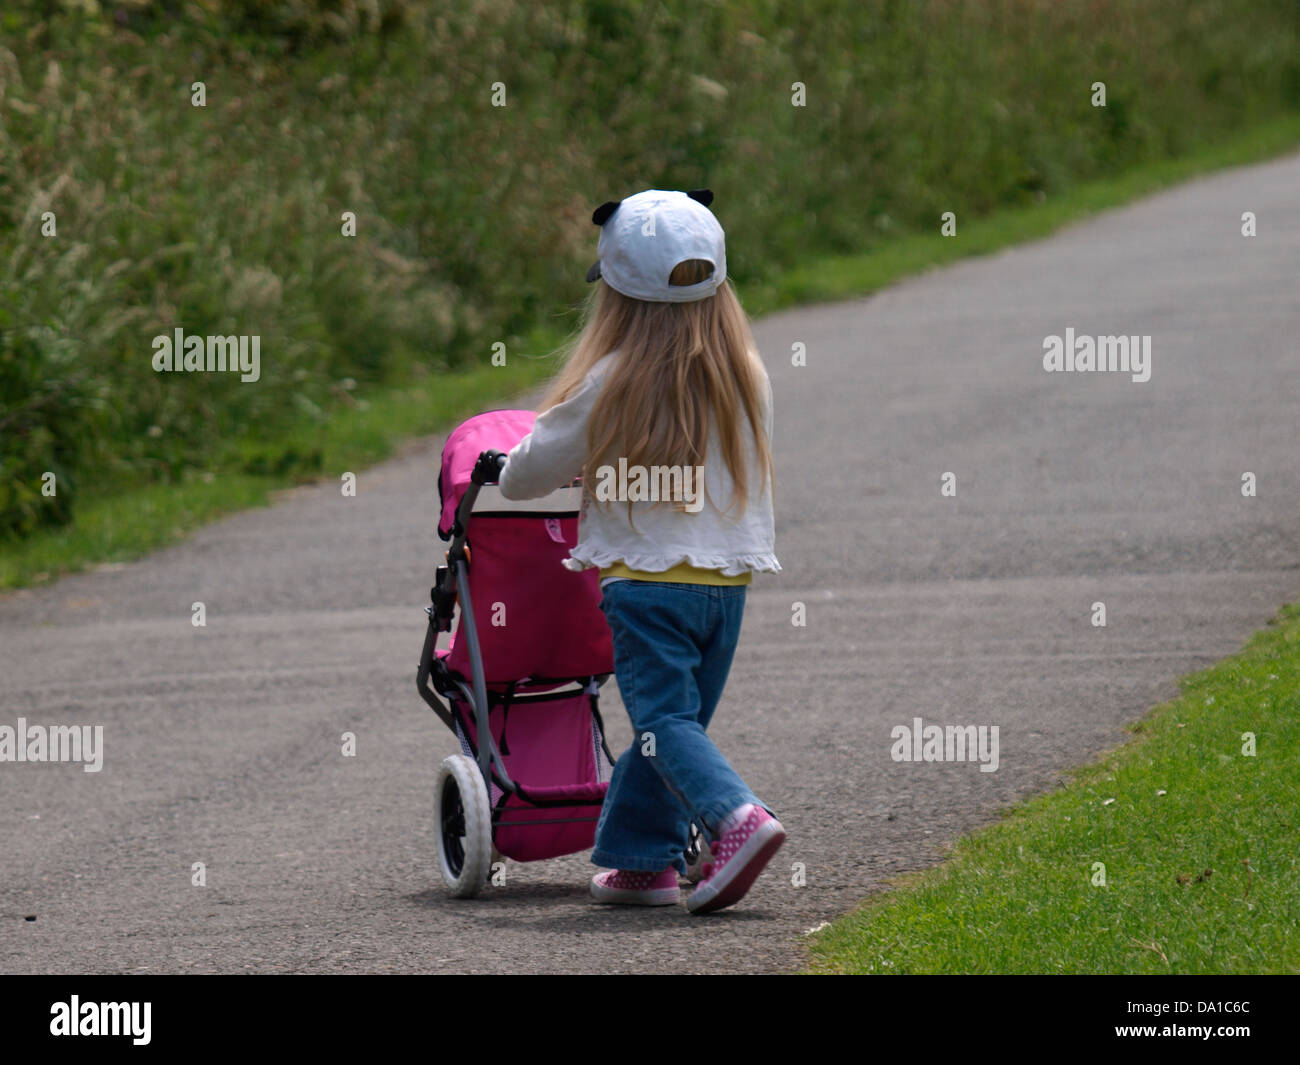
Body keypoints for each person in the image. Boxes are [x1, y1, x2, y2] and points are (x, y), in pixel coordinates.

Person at [489, 188, 784, 914]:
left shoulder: (610, 381)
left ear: (616, 300)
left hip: (646, 584)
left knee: (661, 723)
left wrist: (502, 467)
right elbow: (692, 468)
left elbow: (532, 469)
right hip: (727, 584)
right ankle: (639, 858)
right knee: (676, 725)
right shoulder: (745, 373)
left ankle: (735, 819)